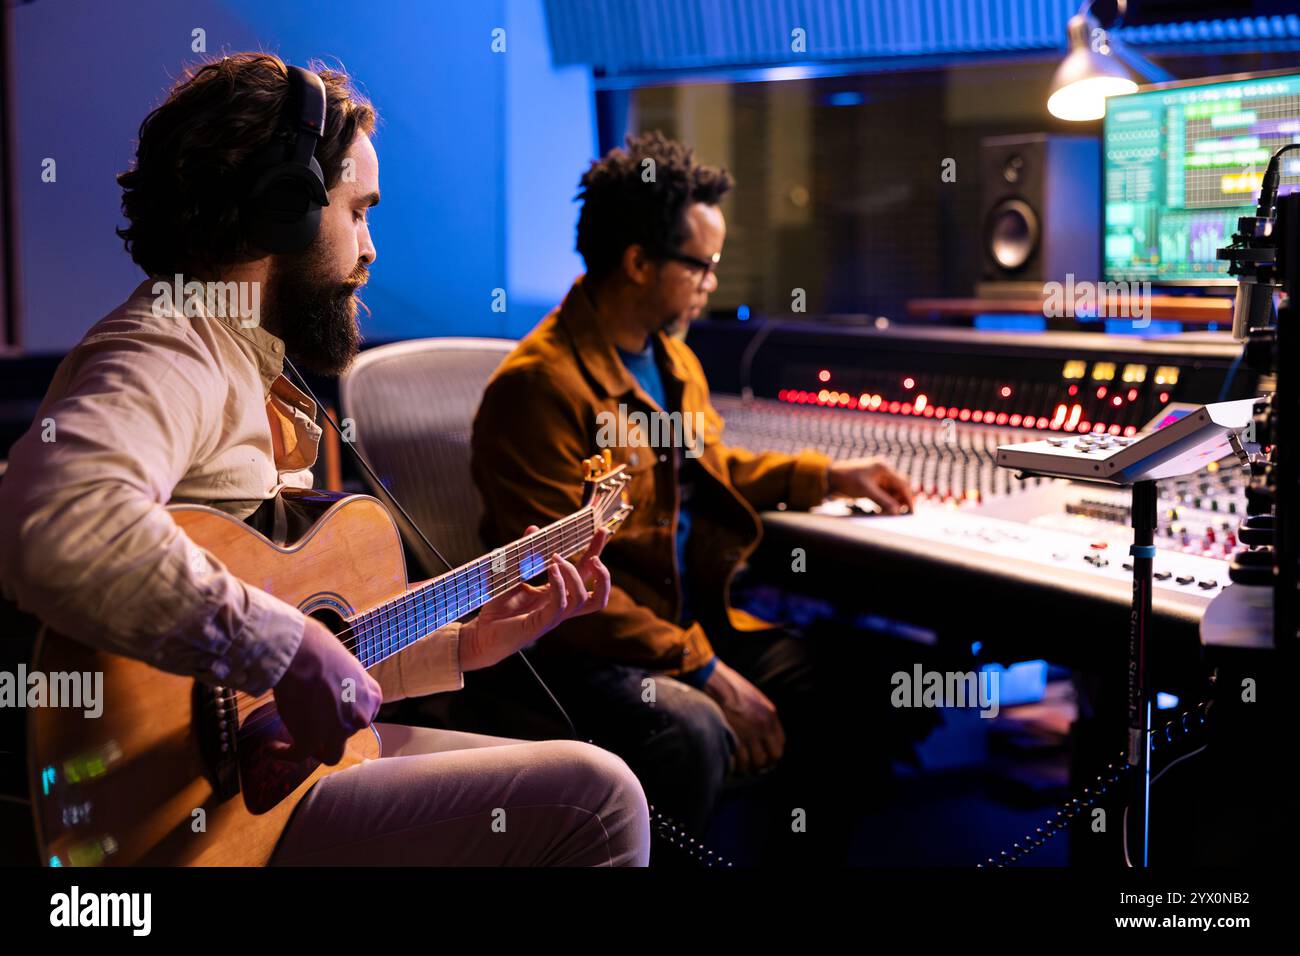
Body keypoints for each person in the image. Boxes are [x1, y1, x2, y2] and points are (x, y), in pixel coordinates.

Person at [0, 54, 648, 867]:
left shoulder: (242, 357)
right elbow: (61, 523)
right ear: (286, 212)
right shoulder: (169, 348)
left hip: (243, 791)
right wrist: (285, 647)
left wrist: (462, 647)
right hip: (155, 822)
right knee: (599, 798)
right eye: (359, 212)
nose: (370, 250)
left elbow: (277, 683)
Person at [470, 132, 916, 861]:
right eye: (701, 265)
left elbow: (709, 467)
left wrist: (830, 477)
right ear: (639, 262)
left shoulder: (673, 359)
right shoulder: (537, 389)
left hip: (681, 627)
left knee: (845, 687)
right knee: (693, 733)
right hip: (580, 650)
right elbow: (557, 589)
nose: (713, 281)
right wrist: (705, 670)